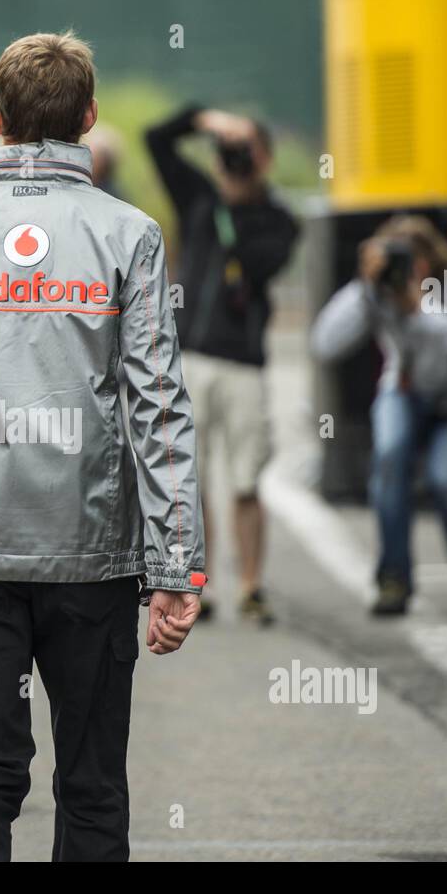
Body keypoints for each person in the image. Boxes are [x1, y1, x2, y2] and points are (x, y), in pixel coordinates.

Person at [0, 31, 206, 862]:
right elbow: (159, 404)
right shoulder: (129, 234)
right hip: (91, 555)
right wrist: (176, 565)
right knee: (93, 782)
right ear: (90, 119)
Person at [145, 105, 299, 626]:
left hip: (244, 363)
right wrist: (206, 121)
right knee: (192, 476)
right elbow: (156, 139)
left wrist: (242, 202)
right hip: (190, 354)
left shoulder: (278, 220)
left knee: (246, 479)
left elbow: (259, 265)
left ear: (264, 159)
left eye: (246, 151)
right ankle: (196, 582)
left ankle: (252, 585)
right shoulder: (198, 199)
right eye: (231, 152)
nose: (235, 160)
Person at [310, 215, 447, 615]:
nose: (404, 272)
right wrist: (367, 287)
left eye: (411, 262)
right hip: (404, 391)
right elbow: (325, 343)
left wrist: (420, 308)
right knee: (388, 460)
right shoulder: (379, 289)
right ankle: (394, 578)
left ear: (431, 260)